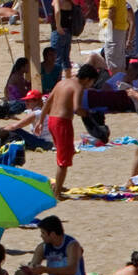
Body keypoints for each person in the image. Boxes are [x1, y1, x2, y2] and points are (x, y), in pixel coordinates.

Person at [43, 63, 92, 199]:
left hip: (52, 120)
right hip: (62, 123)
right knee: (63, 160)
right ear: (88, 79)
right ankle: (57, 193)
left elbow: (48, 102)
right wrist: (87, 114)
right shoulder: (79, 86)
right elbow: (77, 108)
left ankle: (57, 185)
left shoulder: (62, 82)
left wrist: (41, 121)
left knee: (65, 153)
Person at [12, 215, 86, 275]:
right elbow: (34, 264)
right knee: (21, 274)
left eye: (43, 233)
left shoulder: (72, 245)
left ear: (53, 234)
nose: (41, 236)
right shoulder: (42, 247)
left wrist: (45, 269)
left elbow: (71, 270)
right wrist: (32, 269)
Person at [96, 0, 128, 75]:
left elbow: (112, 10)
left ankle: (115, 82)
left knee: (112, 58)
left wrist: (109, 28)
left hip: (114, 28)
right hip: (118, 27)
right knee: (117, 57)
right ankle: (119, 80)